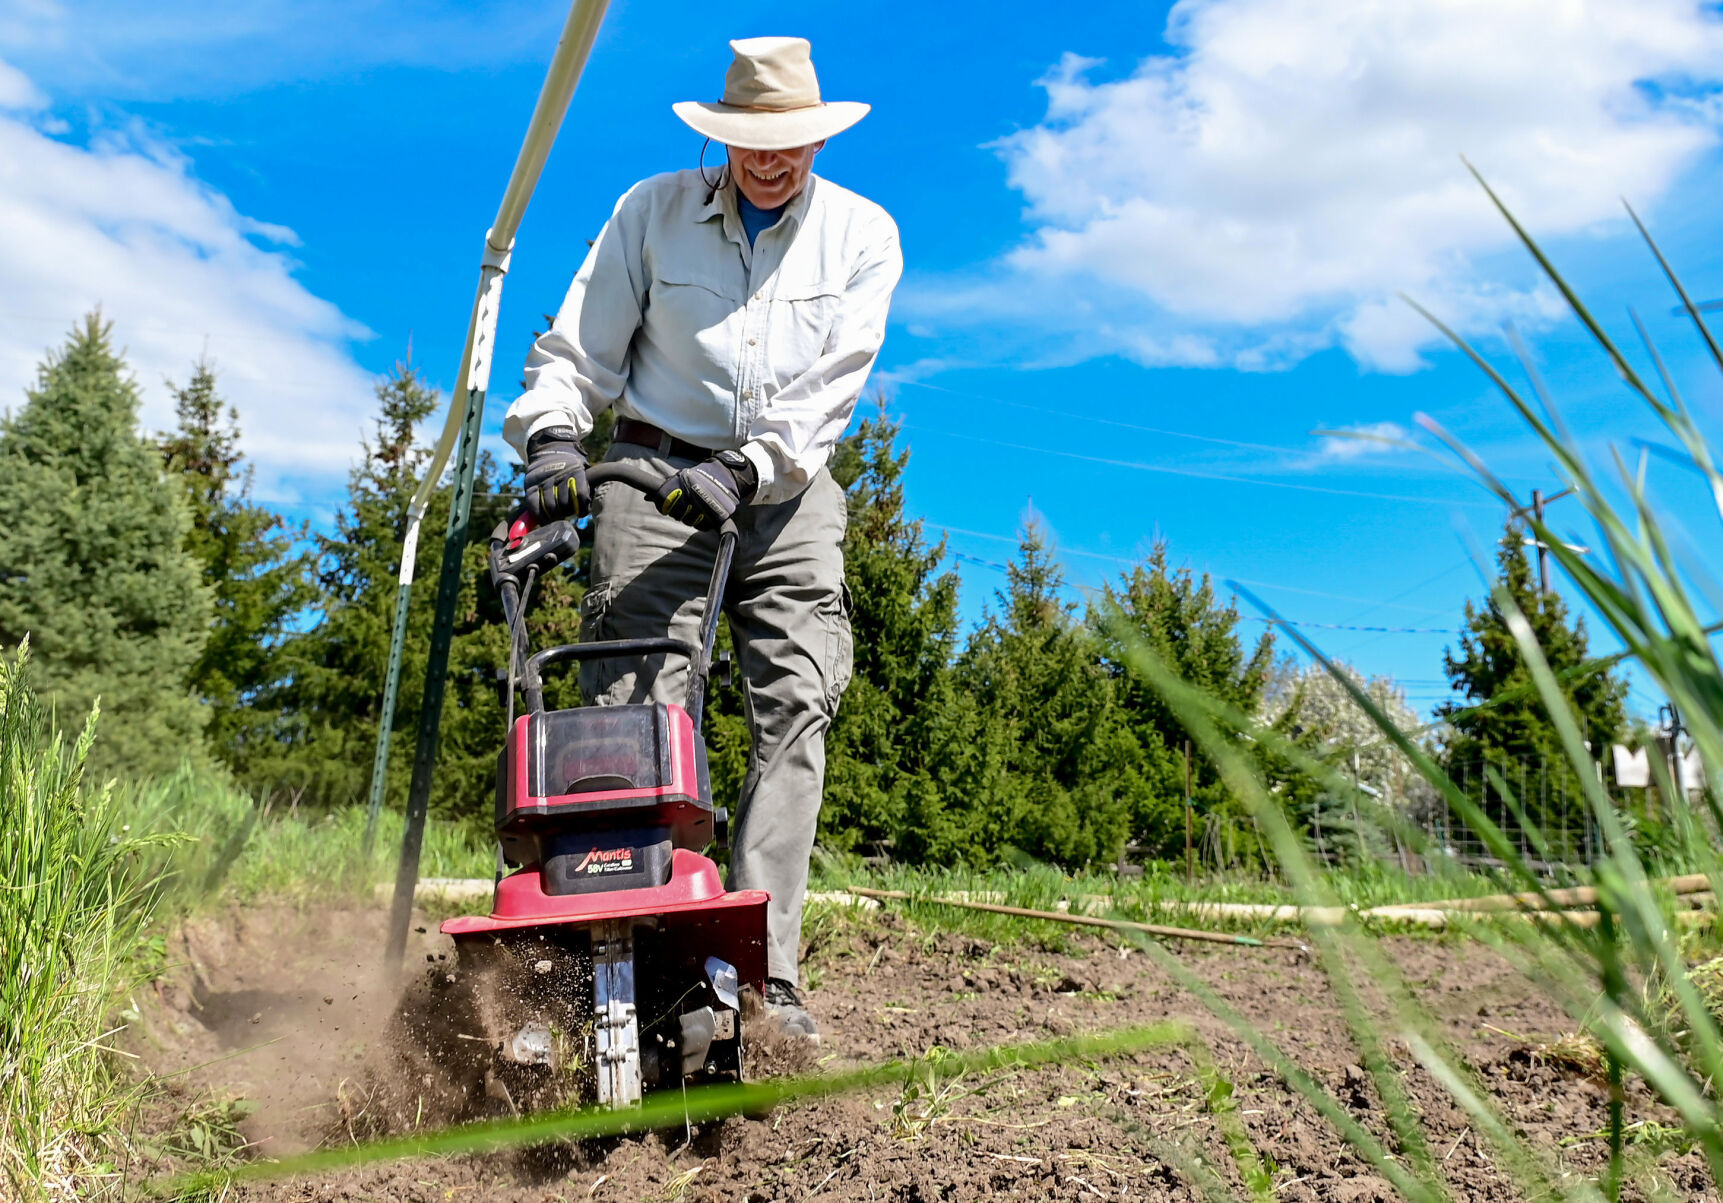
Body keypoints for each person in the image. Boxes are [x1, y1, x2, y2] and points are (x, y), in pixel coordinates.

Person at [502, 36, 901, 1040]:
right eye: (752, 140)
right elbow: (579, 347)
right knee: (630, 705)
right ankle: (622, 948)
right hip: (654, 474)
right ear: (721, 138)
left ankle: (763, 973)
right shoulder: (652, 212)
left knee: (797, 701)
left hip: (786, 492)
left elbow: (829, 390)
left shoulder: (861, 234)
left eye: (791, 140)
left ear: (818, 138)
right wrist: (553, 437)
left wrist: (746, 471)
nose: (772, 158)